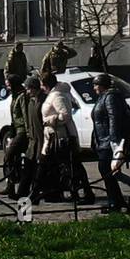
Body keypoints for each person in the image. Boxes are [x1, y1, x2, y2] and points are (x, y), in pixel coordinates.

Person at [40, 71, 96, 204]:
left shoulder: (57, 95)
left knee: (71, 166)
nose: (41, 88)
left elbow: (65, 115)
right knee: (70, 165)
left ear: (46, 85)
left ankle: (80, 192)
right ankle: (74, 191)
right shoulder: (55, 93)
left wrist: (50, 120)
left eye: (42, 85)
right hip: (56, 136)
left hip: (61, 137)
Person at [90, 74, 130, 212]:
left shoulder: (111, 97)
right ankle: (117, 201)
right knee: (108, 171)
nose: (94, 88)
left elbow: (114, 118)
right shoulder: (103, 96)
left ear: (102, 85)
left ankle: (115, 202)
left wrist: (114, 141)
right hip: (103, 140)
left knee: (106, 170)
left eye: (96, 85)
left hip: (109, 141)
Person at [17, 76, 46, 200]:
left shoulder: (42, 101)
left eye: (28, 89)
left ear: (34, 88)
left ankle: (34, 194)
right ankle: (22, 194)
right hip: (32, 141)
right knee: (28, 168)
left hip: (41, 141)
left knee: (39, 171)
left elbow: (41, 125)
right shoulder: (31, 101)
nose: (27, 92)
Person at [2, 75, 27, 197]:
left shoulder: (22, 96)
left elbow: (25, 116)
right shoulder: (14, 96)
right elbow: (14, 117)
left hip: (23, 131)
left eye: (8, 85)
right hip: (16, 129)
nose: (7, 87)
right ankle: (10, 186)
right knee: (11, 158)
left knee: (9, 155)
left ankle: (16, 184)